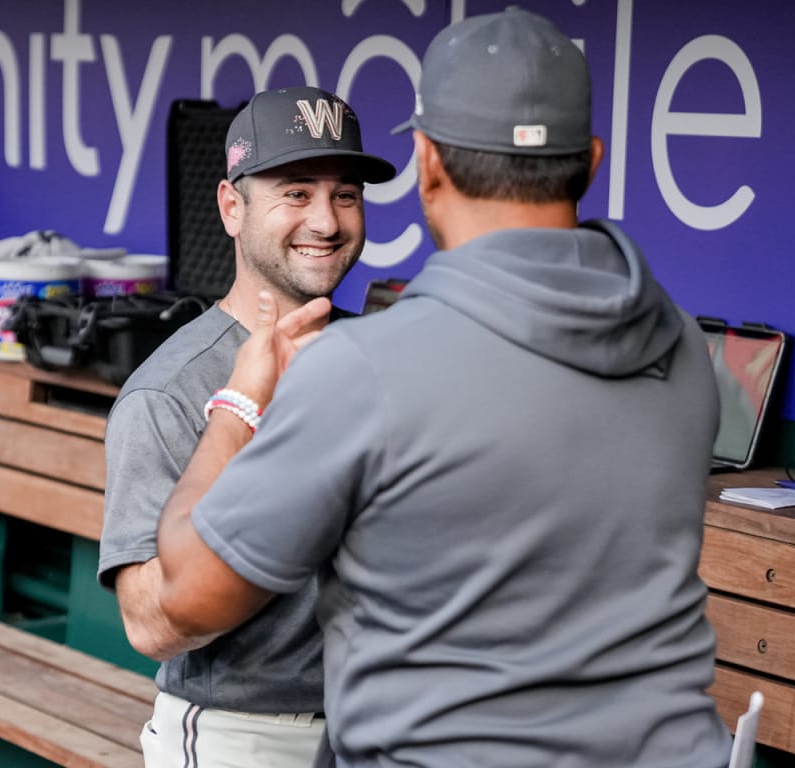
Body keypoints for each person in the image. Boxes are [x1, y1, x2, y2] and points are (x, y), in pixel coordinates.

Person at [152, 7, 735, 766]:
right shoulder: (686, 351)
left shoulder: (364, 367)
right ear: (590, 163)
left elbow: (189, 593)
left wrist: (236, 405)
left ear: (426, 163)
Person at [97, 85, 395, 767]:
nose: (326, 220)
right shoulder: (171, 390)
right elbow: (148, 624)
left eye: (345, 194)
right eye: (295, 192)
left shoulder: (381, 356)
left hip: (379, 727)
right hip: (250, 734)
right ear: (233, 207)